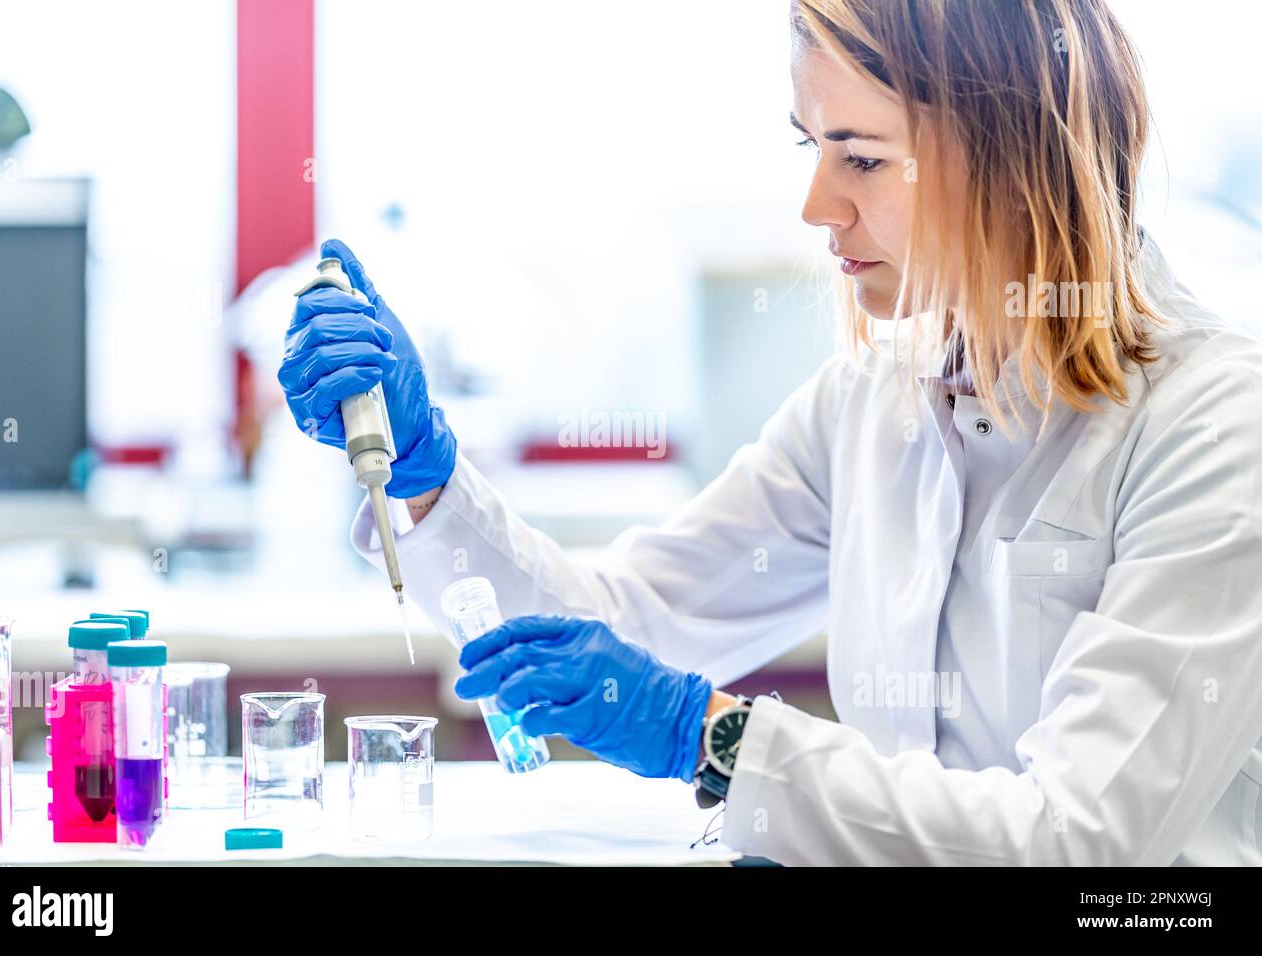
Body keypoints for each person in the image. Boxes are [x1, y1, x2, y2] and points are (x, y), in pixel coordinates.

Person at [278, 0, 1262, 865]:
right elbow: (626, 622)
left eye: (862, 158)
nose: (815, 206)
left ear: (1004, 155)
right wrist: (423, 473)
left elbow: (1077, 840)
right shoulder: (871, 403)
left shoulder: (1214, 428)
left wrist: (713, 737)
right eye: (811, 147)